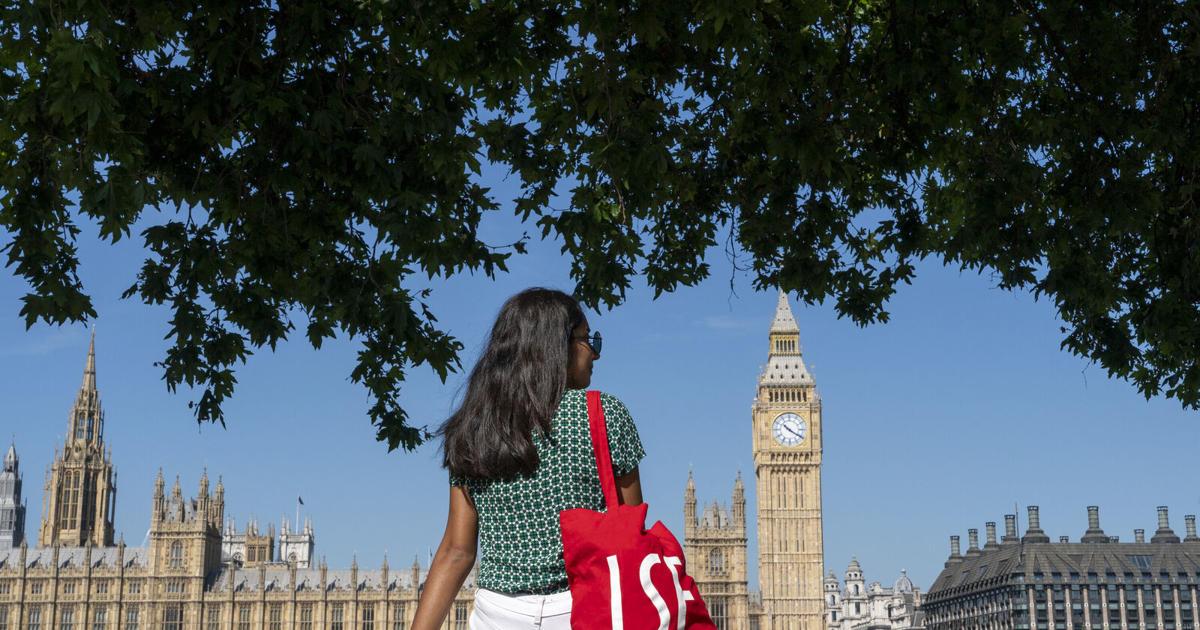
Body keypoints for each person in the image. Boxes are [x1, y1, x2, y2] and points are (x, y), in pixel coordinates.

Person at [411, 288, 645, 630]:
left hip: (499, 614)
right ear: (556, 346)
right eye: (587, 339)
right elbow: (631, 530)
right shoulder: (605, 414)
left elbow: (457, 551)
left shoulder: (474, 428)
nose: (595, 353)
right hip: (586, 608)